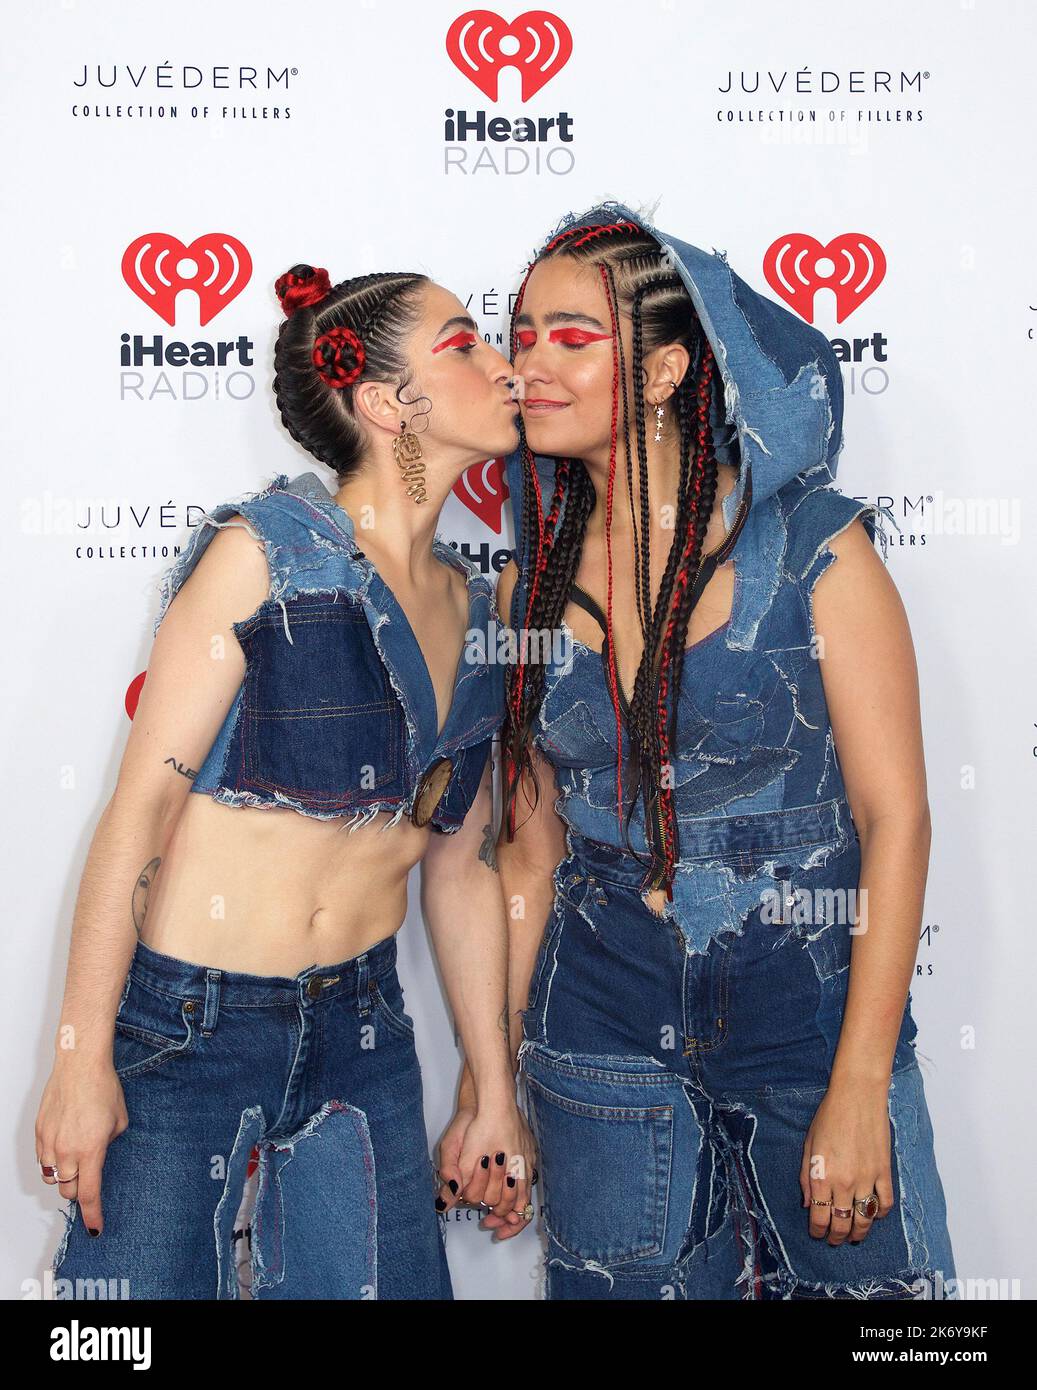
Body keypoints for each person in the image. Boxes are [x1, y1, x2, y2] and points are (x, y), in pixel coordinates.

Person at [477, 201, 956, 1299]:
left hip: (807, 1017)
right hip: (595, 1016)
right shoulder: (523, 587)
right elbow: (525, 851)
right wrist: (499, 1082)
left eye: (568, 336)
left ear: (660, 372)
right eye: (521, 334)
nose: (527, 364)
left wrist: (860, 1084)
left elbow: (896, 822)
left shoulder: (817, 554)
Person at [37, 262, 534, 1300]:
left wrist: (492, 1089)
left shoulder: (482, 606)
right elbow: (139, 813)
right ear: (383, 401)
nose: (503, 364)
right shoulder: (261, 554)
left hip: (364, 1031)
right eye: (463, 345)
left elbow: (457, 868)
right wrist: (80, 1061)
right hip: (189, 1027)